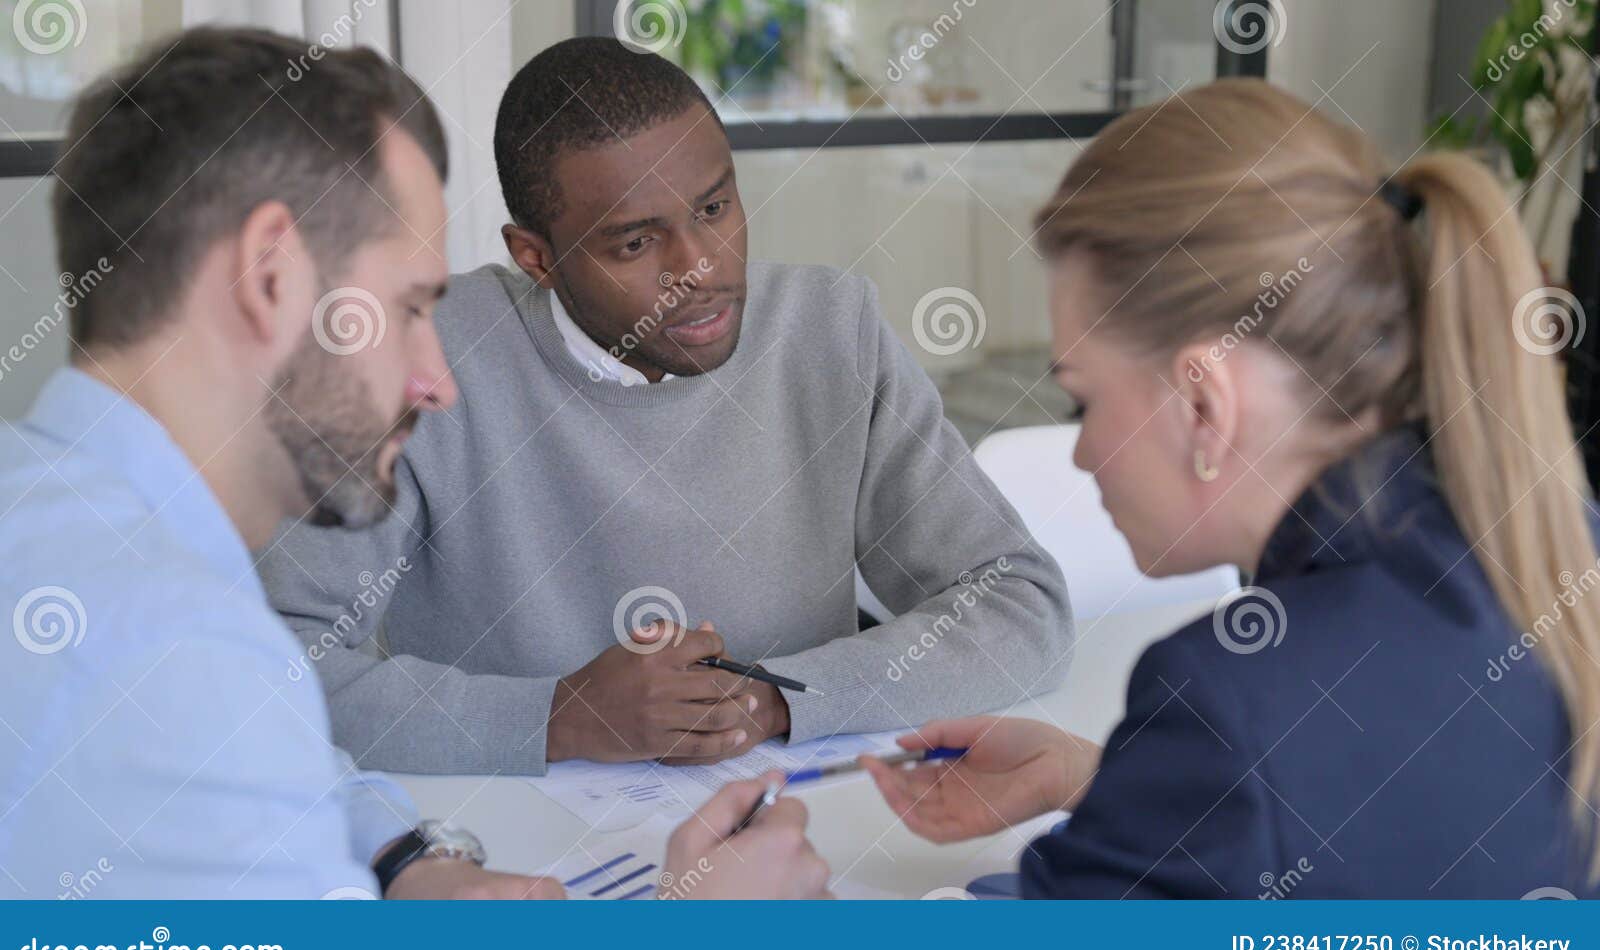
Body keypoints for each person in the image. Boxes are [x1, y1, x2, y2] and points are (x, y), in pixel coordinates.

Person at [0, 27, 827, 900]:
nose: (437, 383)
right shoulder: (167, 651)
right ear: (269, 280)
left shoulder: (67, 526)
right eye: (407, 309)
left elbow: (275, 760)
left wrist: (399, 861)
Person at [864, 78, 1600, 898]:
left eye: (1083, 397)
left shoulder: (1227, 705)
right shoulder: (1560, 552)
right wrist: (1122, 787)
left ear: (1205, 404)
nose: (1080, 454)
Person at [258, 37, 1073, 776]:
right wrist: (558, 718)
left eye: (715, 208)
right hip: (520, 868)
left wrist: (775, 698)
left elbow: (1019, 606)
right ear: (534, 258)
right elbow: (269, 671)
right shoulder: (426, 360)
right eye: (636, 243)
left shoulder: (831, 329)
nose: (701, 269)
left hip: (790, 825)